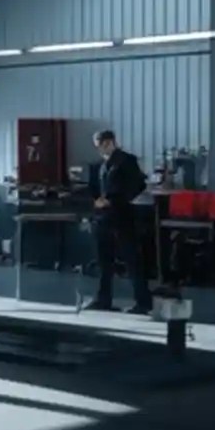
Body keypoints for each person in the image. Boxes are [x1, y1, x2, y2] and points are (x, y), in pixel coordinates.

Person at [84, 130, 152, 314]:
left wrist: (115, 200)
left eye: (99, 144)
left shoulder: (126, 161)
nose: (97, 149)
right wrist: (95, 200)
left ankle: (143, 301)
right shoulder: (100, 165)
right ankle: (103, 299)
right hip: (103, 217)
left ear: (108, 142)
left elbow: (138, 184)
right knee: (104, 261)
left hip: (122, 216)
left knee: (132, 260)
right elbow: (93, 187)